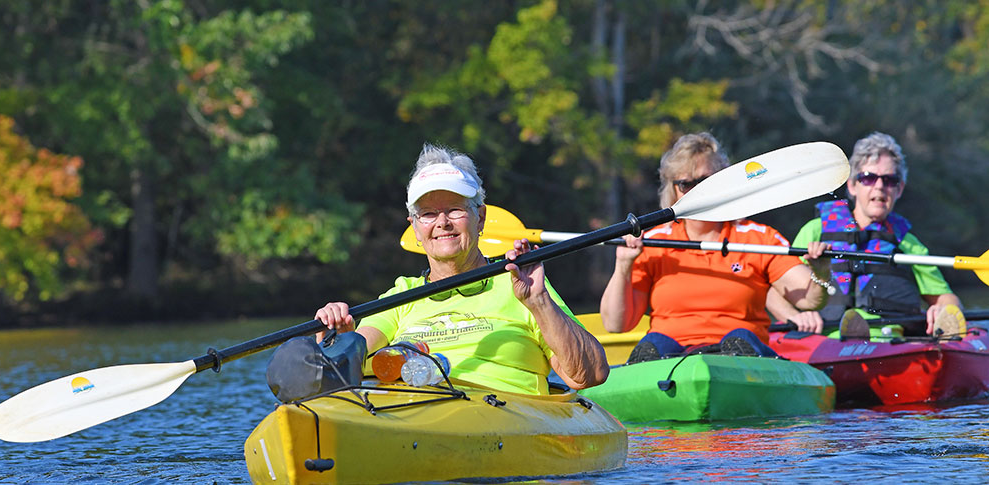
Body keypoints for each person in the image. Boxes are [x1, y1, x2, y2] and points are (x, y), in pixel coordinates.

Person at [314, 144, 609, 395]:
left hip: (506, 420)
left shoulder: (521, 285)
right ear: (415, 227)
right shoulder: (401, 295)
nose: (442, 222)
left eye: (455, 209)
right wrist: (337, 341)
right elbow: (348, 359)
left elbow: (588, 375)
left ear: (480, 218)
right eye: (428, 214)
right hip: (417, 417)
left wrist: (540, 303)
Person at [600, 132, 832, 362]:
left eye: (704, 182)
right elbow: (616, 324)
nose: (696, 192)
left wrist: (821, 271)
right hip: (669, 354)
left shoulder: (759, 239)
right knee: (653, 345)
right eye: (685, 184)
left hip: (739, 356)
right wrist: (623, 265)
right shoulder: (652, 242)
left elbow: (809, 300)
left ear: (723, 182)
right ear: (674, 189)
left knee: (740, 338)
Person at [768, 132, 963, 336]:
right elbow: (774, 294)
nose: (880, 186)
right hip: (824, 343)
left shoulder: (908, 243)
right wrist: (795, 316)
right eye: (869, 178)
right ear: (852, 185)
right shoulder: (816, 231)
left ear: (900, 189)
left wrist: (944, 309)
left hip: (891, 346)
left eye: (889, 180)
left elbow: (948, 299)